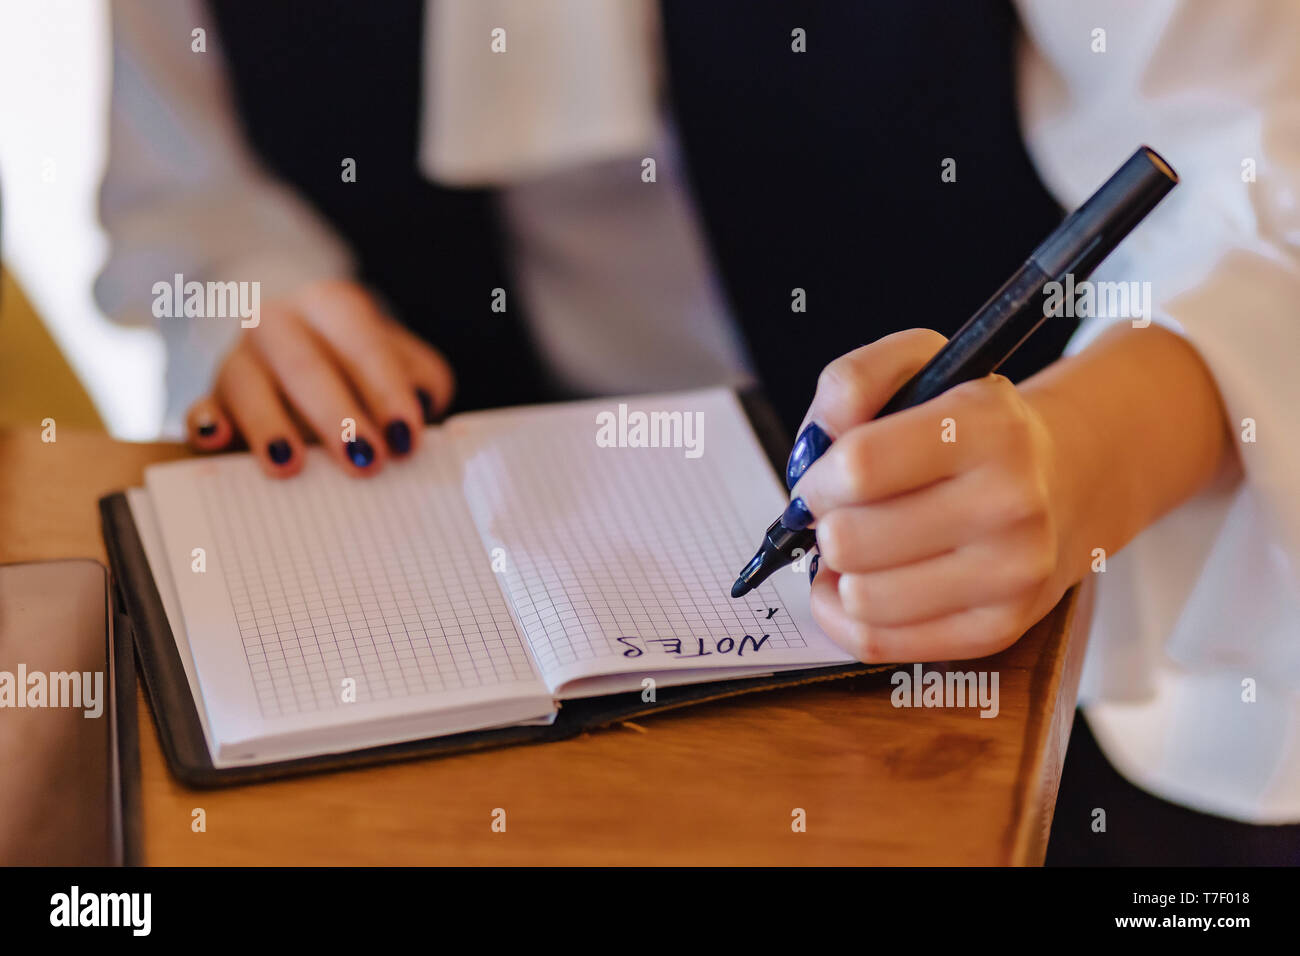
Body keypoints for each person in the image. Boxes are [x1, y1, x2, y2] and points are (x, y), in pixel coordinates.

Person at [95, 0, 1300, 856]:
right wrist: (254, 300)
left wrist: (1082, 449)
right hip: (466, 618)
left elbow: (1255, 176)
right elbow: (193, 200)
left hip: (1044, 638)